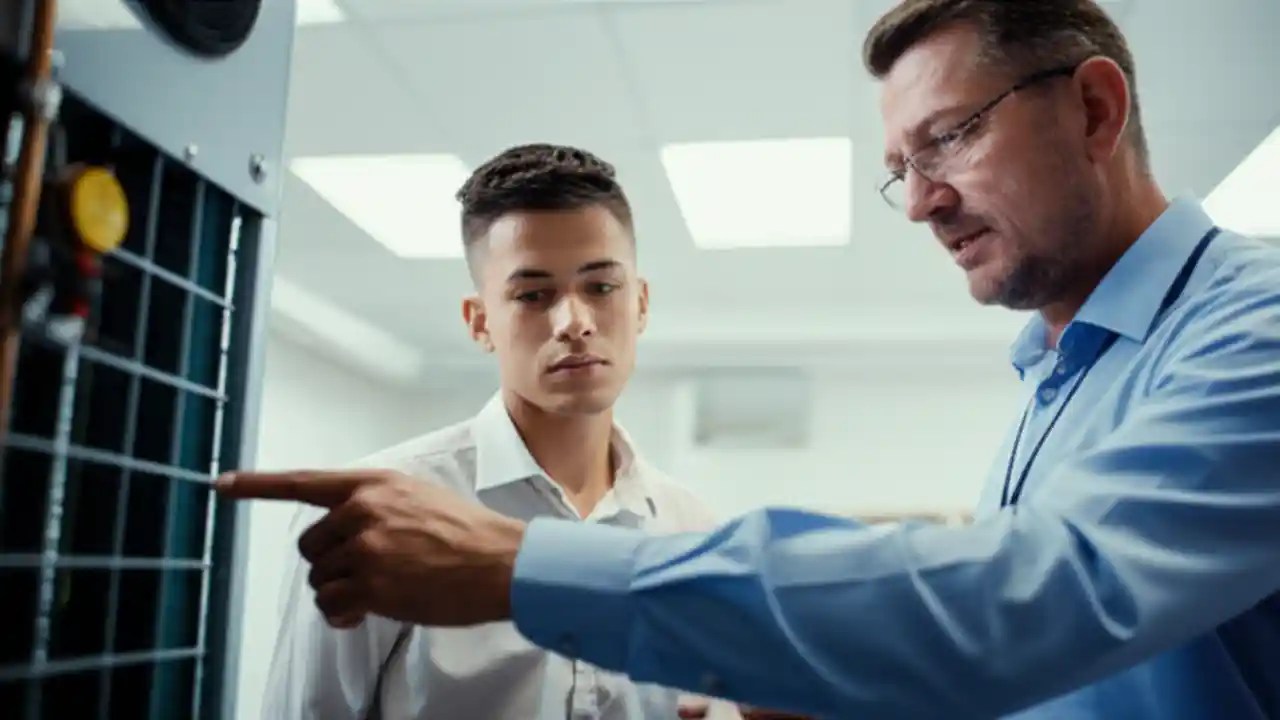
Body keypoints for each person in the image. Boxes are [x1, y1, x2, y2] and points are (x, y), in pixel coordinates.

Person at [220, 1, 1280, 718]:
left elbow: (1031, 602)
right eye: (899, 167)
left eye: (947, 138)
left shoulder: (1255, 328)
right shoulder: (1054, 380)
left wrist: (510, 567)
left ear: (1093, 109)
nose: (916, 201)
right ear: (478, 318)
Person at [257, 143, 744, 719]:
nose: (574, 323)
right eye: (533, 295)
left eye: (601, 287)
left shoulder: (692, 532)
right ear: (480, 321)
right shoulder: (373, 517)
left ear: (639, 303)